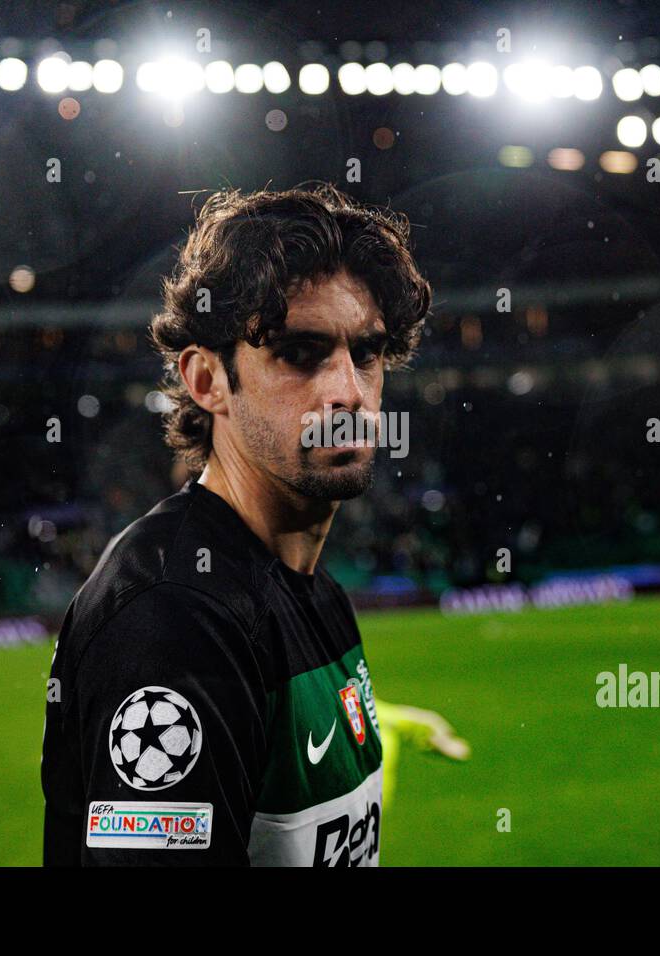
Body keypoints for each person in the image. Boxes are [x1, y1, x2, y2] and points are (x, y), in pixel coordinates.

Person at [41, 183, 432, 865]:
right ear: (205, 381)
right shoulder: (175, 617)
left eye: (365, 354)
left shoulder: (312, 591)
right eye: (300, 353)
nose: (347, 392)